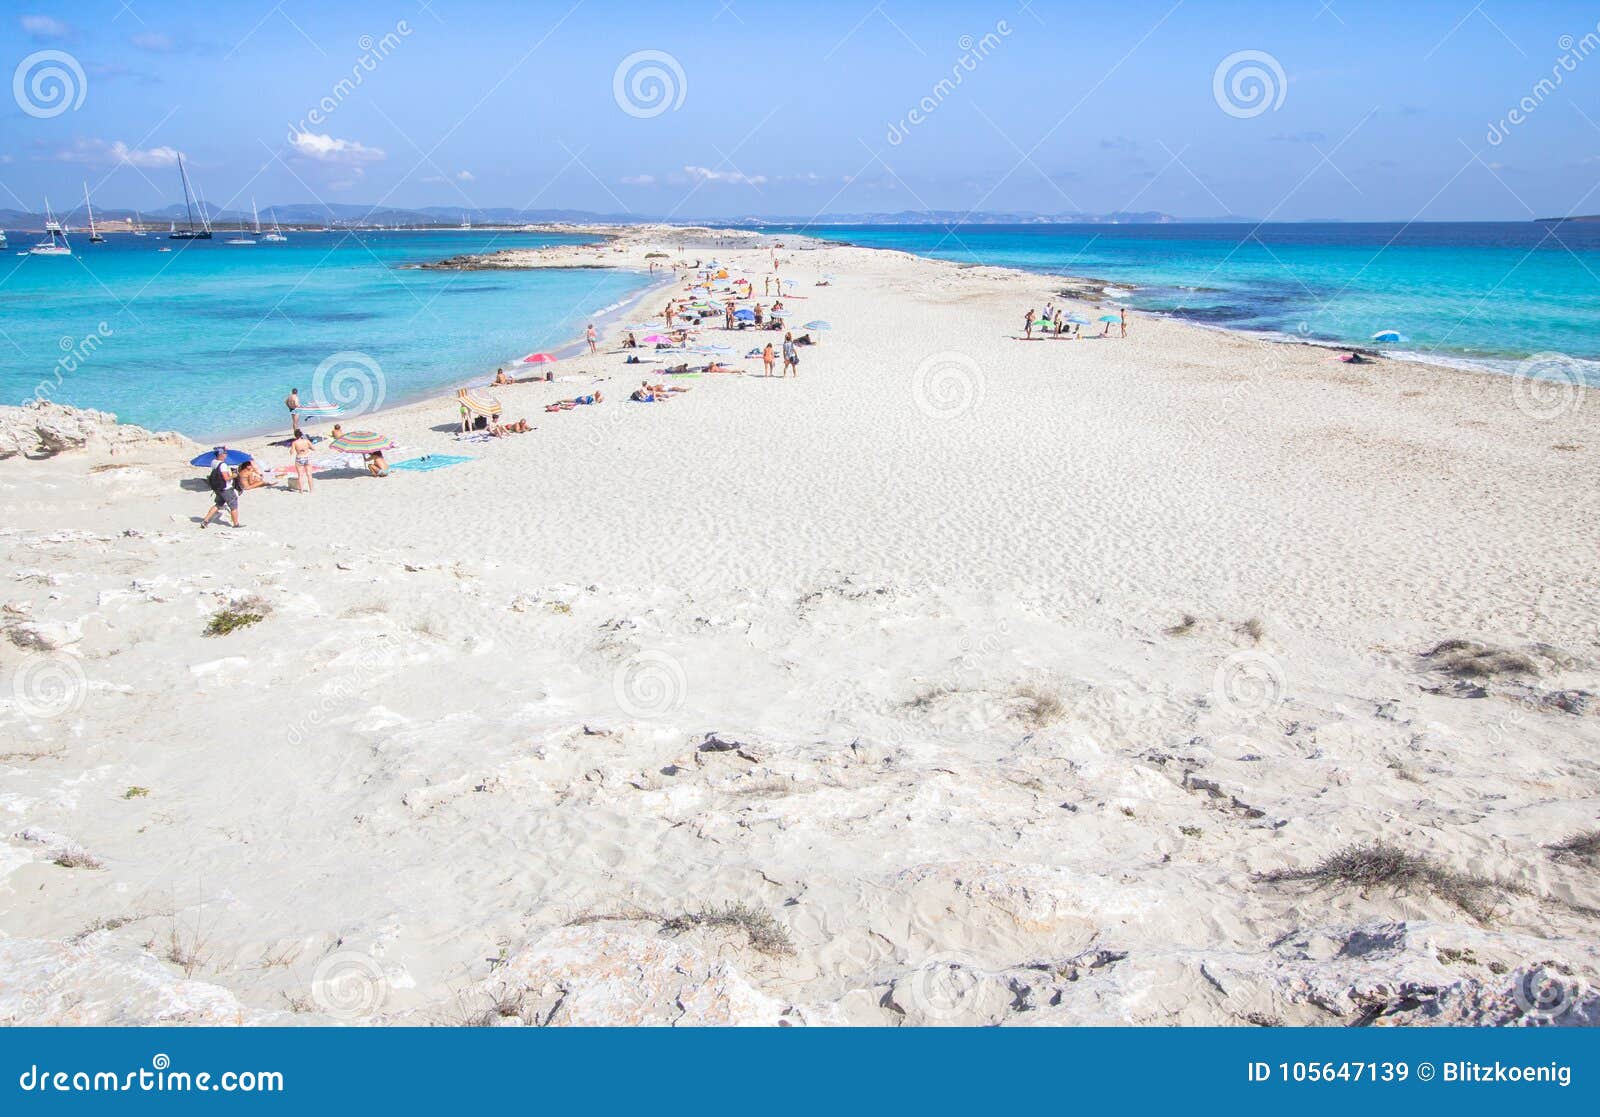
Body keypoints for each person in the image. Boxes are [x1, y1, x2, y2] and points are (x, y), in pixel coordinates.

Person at [200, 448, 242, 529]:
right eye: (225, 453)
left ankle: (205, 521)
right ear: (221, 455)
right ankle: (236, 524)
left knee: (218, 505)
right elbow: (226, 478)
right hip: (226, 488)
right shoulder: (223, 465)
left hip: (218, 488)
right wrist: (234, 475)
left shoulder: (213, 462)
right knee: (234, 506)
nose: (226, 455)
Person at [290, 430, 315, 494]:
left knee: (300, 475)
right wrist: (307, 447)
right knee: (309, 475)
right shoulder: (306, 441)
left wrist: (296, 449)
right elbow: (313, 448)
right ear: (301, 435)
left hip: (299, 458)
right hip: (307, 457)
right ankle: (311, 490)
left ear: (295, 435)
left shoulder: (294, 442)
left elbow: (291, 452)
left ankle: (301, 491)